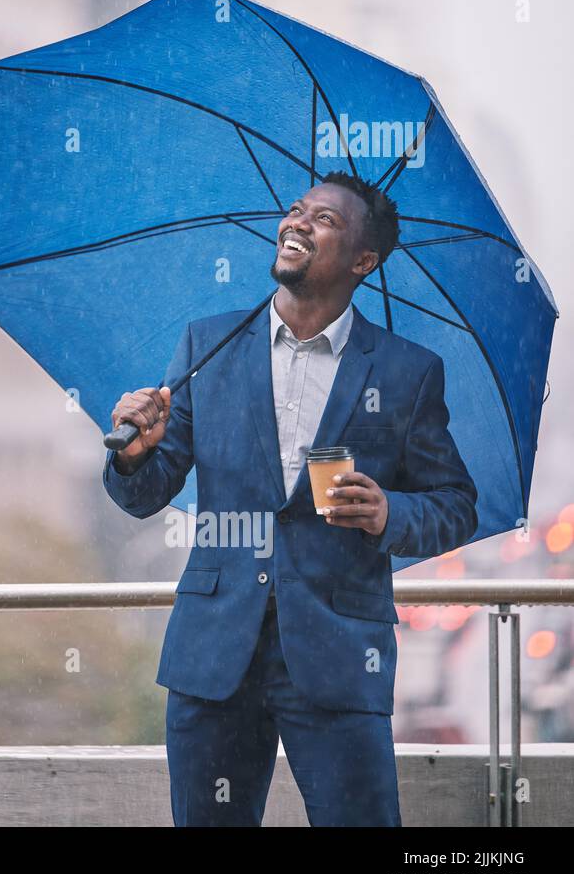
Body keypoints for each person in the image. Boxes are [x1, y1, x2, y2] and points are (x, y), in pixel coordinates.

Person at [104, 171, 478, 827]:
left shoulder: (405, 371)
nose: (298, 222)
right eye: (297, 210)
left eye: (325, 219)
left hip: (338, 655)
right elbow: (146, 492)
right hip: (214, 654)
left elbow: (456, 503)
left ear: (364, 260)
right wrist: (132, 456)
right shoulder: (207, 346)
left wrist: (392, 511)